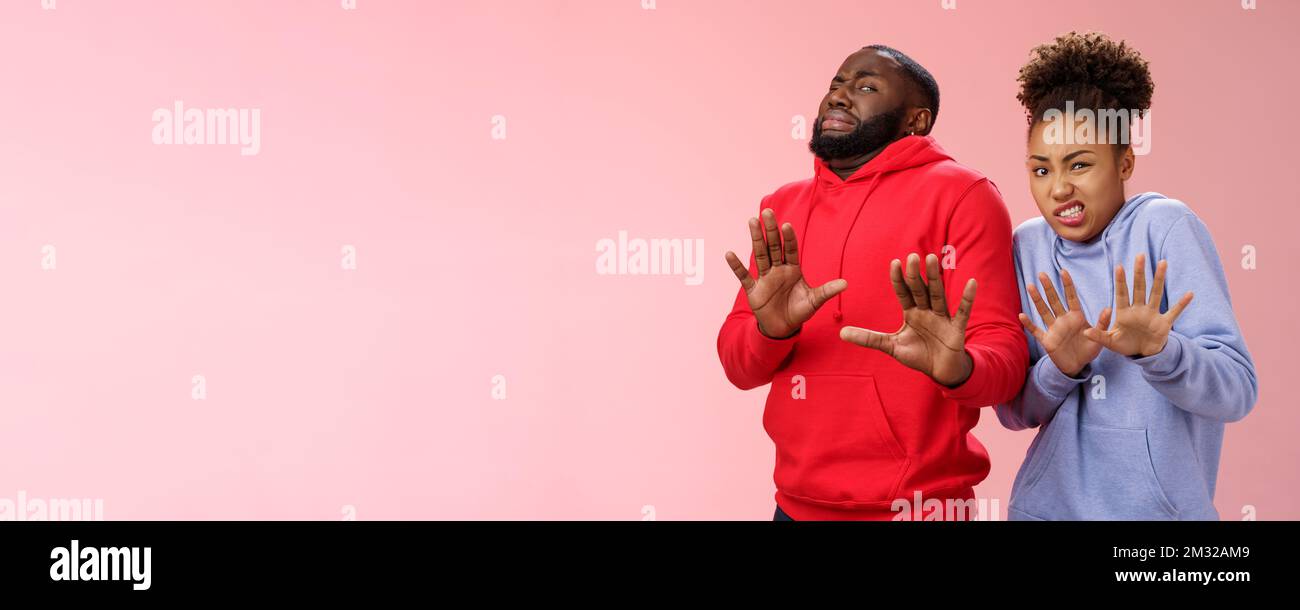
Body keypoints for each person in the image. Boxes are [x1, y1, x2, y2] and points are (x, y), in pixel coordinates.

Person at [717, 45, 1028, 521]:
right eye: (835, 85)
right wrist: (771, 331)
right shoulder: (782, 205)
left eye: (865, 87)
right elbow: (739, 369)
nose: (839, 97)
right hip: (795, 509)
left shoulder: (964, 195)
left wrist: (958, 366)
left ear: (916, 121)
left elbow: (1005, 360)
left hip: (922, 510)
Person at [995, 32, 1258, 520]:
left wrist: (1160, 352)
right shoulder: (1028, 245)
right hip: (1043, 511)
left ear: (1125, 163)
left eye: (1080, 164)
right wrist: (1061, 368)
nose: (1059, 188)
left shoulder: (1166, 226)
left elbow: (1237, 392)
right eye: (1040, 169)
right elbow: (1014, 414)